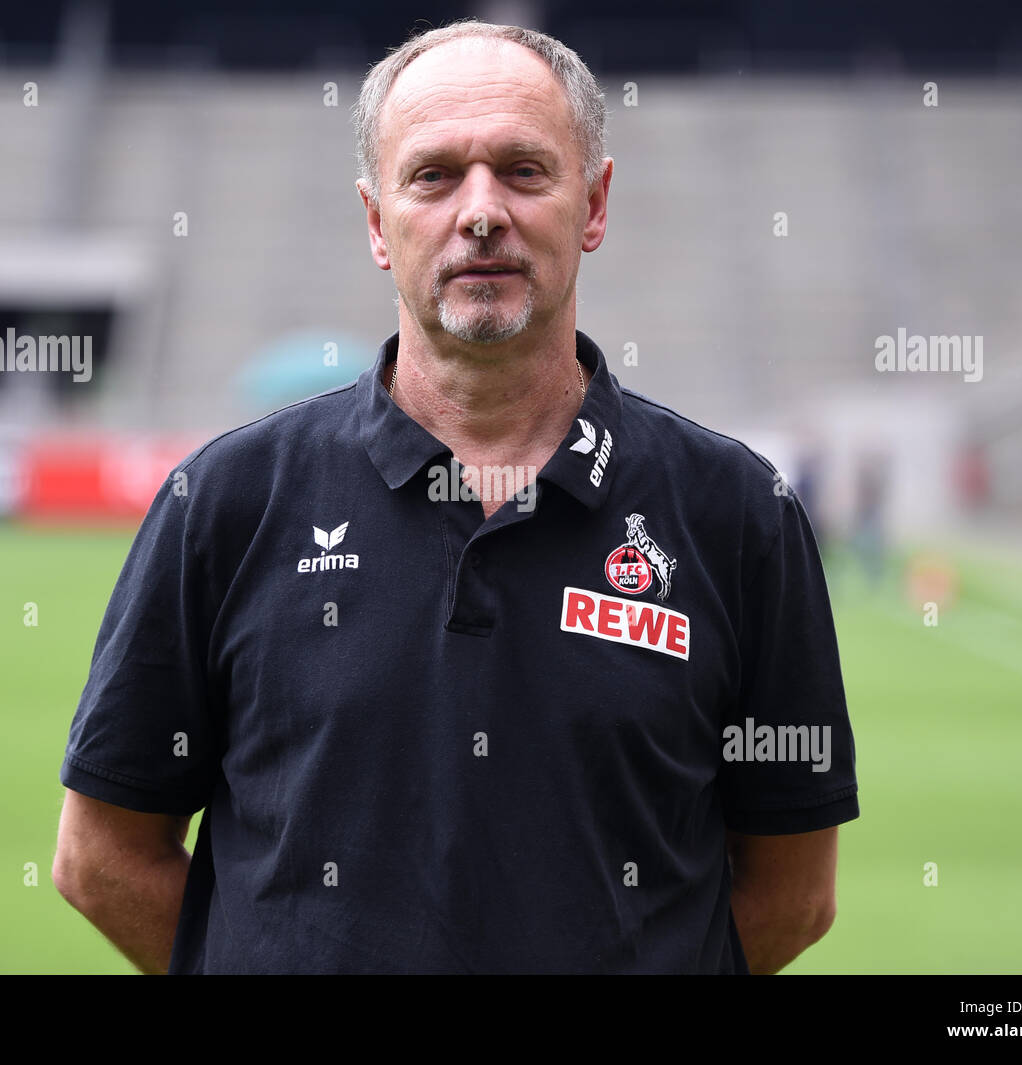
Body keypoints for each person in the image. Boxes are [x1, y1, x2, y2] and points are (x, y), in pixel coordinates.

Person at [53, 20, 859, 974]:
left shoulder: (739, 515)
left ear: (595, 204)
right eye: (434, 175)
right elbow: (100, 855)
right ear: (375, 221)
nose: (481, 211)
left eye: (524, 171)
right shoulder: (223, 503)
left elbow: (795, 892)